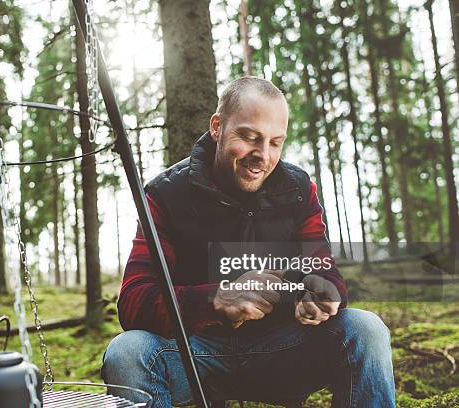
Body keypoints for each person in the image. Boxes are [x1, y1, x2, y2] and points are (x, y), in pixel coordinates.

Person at [101, 77, 395, 407]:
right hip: (195, 354)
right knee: (126, 352)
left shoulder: (298, 189)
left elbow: (327, 274)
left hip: (283, 352)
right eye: (249, 137)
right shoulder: (164, 194)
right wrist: (217, 299)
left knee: (366, 329)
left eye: (275, 142)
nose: (263, 156)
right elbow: (134, 301)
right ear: (217, 127)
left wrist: (322, 292)